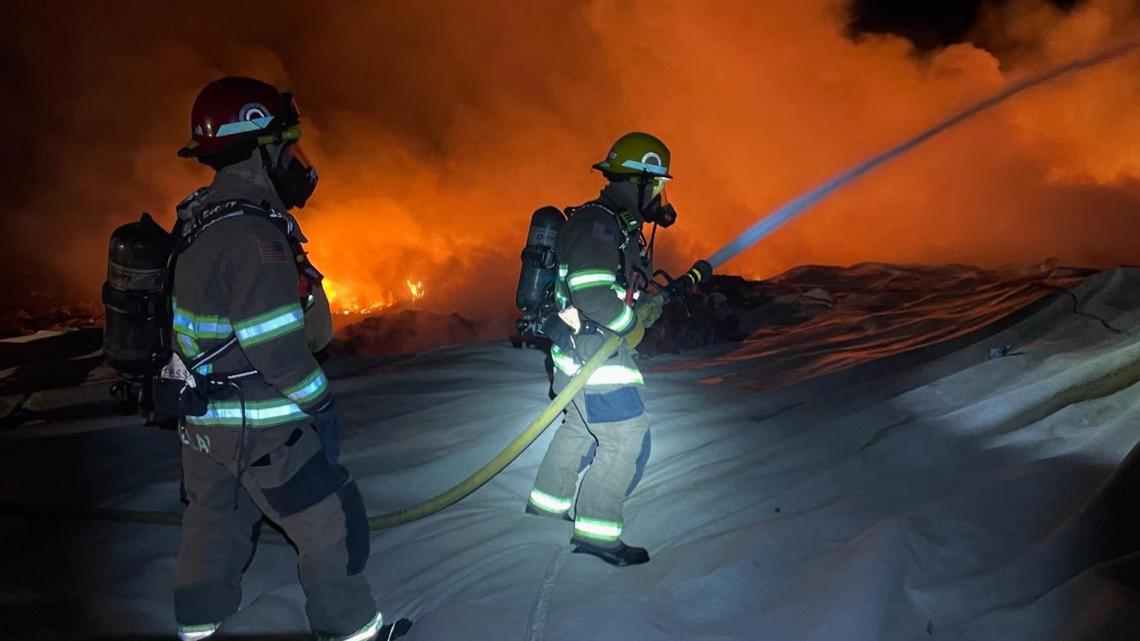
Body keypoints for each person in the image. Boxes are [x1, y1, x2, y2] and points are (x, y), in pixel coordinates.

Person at [170, 77, 380, 641]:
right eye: (286, 143)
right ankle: (353, 631)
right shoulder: (253, 235)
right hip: (262, 428)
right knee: (331, 524)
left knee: (214, 531)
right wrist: (321, 400)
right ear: (258, 146)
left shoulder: (200, 216)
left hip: (206, 426)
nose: (297, 159)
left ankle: (199, 628)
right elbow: (276, 347)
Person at [525, 132, 677, 567]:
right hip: (596, 355)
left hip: (577, 352)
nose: (663, 195)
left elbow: (602, 289)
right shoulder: (600, 225)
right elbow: (591, 294)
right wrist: (631, 323)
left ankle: (546, 508)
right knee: (625, 438)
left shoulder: (607, 222)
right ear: (639, 181)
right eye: (659, 184)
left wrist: (636, 306)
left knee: (576, 431)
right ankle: (596, 531)